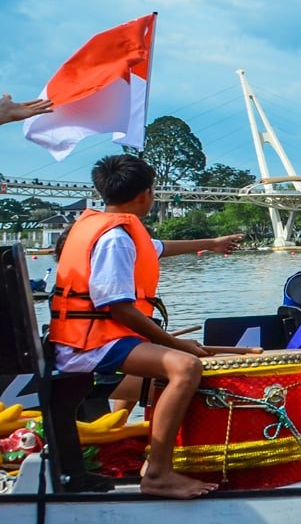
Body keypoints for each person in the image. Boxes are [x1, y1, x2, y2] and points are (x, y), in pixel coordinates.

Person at [46, 154, 245, 498]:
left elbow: (159, 248)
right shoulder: (116, 239)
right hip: (91, 342)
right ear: (145, 195)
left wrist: (211, 244)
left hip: (80, 337)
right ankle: (158, 473)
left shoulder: (102, 226)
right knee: (185, 368)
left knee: (74, 397)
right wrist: (175, 344)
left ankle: (95, 470)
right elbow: (118, 308)